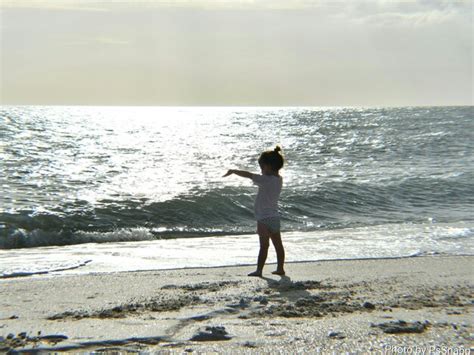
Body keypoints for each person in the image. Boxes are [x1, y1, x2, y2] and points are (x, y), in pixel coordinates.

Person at [223, 146, 285, 277]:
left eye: (262, 167)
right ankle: (280, 268)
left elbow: (249, 175)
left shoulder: (265, 180)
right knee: (278, 245)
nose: (261, 171)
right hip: (275, 217)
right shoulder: (279, 180)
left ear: (267, 167)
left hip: (263, 219)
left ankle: (259, 270)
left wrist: (234, 171)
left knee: (264, 246)